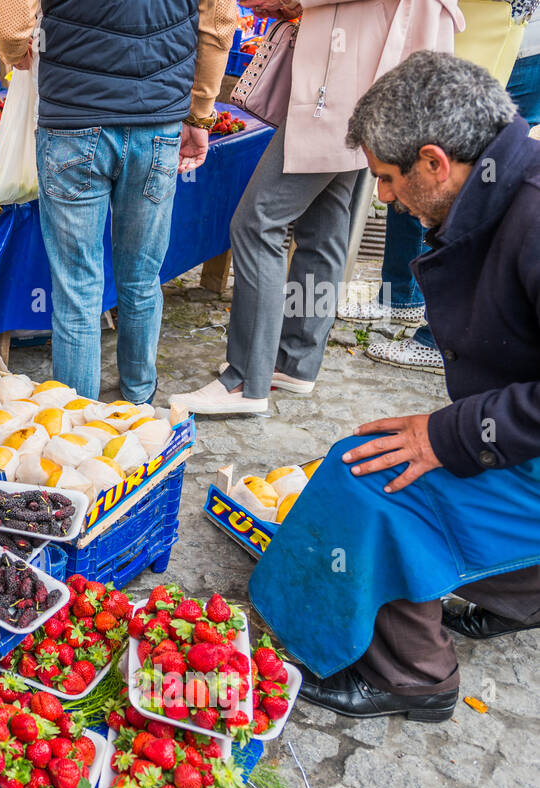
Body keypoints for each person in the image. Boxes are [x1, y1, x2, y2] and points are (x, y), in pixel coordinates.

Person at [247, 51, 540, 721]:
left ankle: (415, 675)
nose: (382, 196)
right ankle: (521, 590)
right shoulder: (508, 186)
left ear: (434, 162)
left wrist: (450, 435)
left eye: (385, 178)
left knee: (364, 480)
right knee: (398, 458)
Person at [171, 0, 462, 416]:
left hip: (343, 80)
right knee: (324, 225)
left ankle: (245, 381)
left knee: (258, 223)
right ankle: (295, 361)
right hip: (361, 71)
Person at [0, 0, 238, 405]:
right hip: (157, 119)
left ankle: (77, 424)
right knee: (141, 276)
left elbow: (10, 17)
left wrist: (16, 52)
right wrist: (201, 111)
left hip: (73, 119)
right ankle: (139, 401)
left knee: (77, 288)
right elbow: (219, 24)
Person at [355, 0, 536, 374]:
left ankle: (434, 334)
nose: (384, 197)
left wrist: (442, 433)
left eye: (384, 180)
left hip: (490, 33)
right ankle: (406, 299)